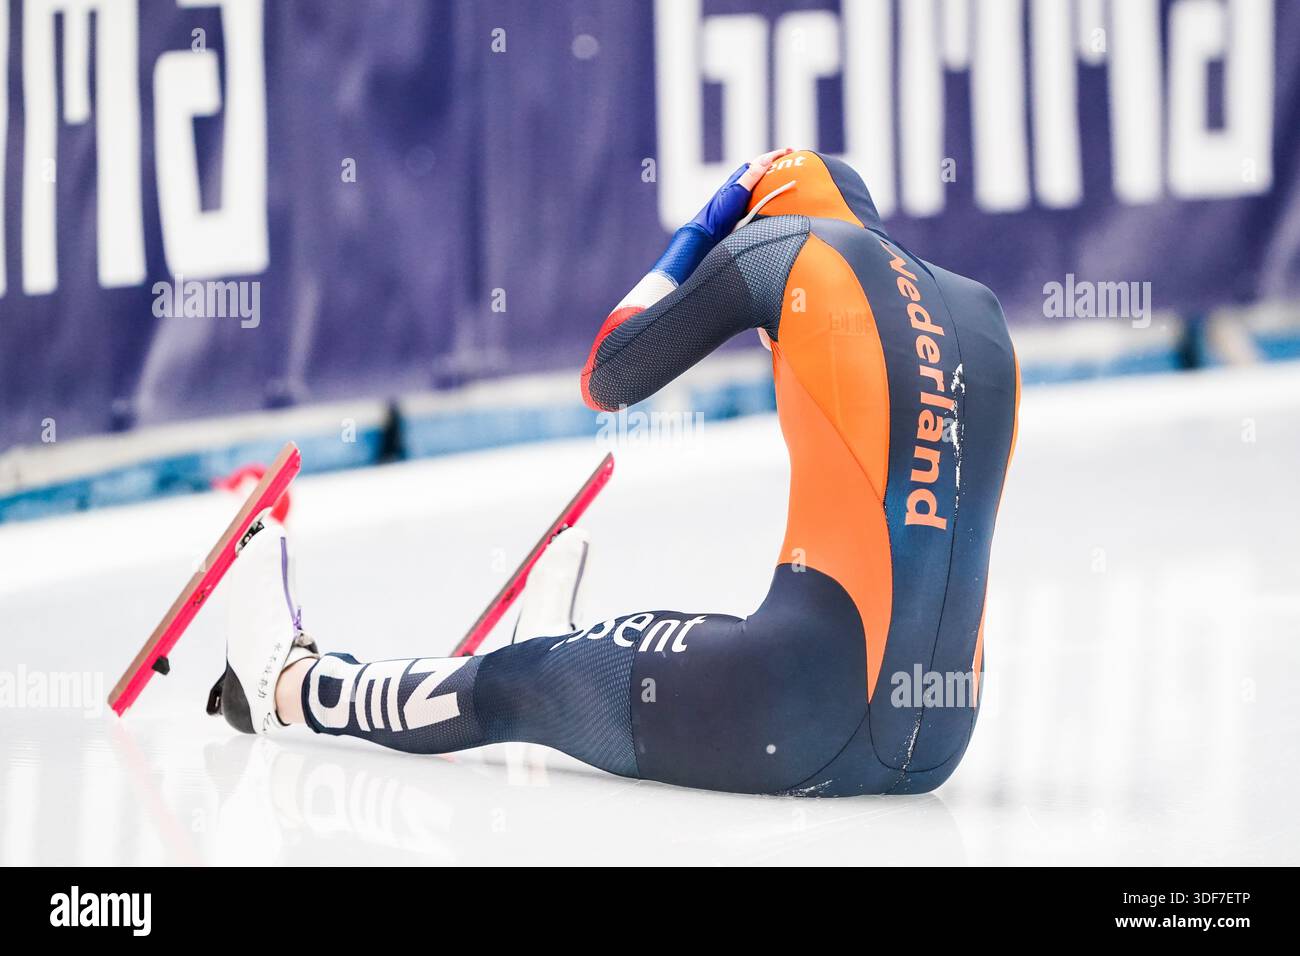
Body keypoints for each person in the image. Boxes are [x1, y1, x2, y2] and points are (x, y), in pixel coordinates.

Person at [209, 148, 1019, 796]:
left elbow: (610, 373)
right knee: (668, 641)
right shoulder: (981, 312)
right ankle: (560, 648)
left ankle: (291, 687)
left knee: (528, 679)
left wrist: (701, 236)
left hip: (798, 709)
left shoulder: (789, 245)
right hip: (939, 741)